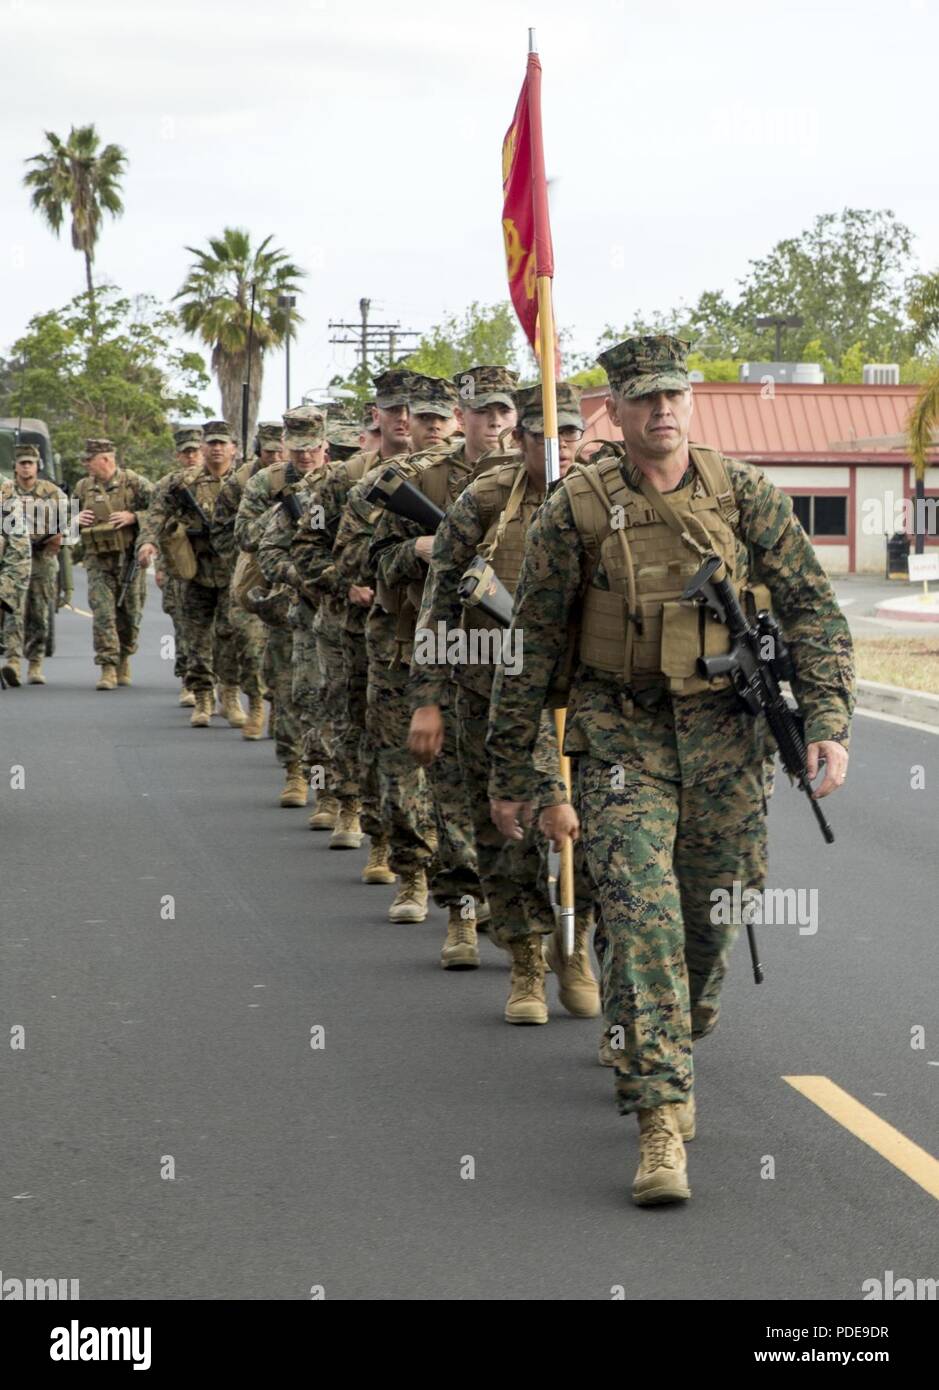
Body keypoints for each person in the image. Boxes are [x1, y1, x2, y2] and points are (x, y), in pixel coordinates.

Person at [483, 335, 855, 1205]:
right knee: (643, 916)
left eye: (674, 396)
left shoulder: (741, 493)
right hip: (621, 739)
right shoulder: (574, 510)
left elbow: (811, 610)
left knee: (708, 923)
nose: (661, 412)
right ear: (614, 410)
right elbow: (531, 650)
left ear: (690, 401)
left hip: (728, 740)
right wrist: (520, 775)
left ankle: (673, 1035)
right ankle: (658, 1117)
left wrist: (826, 721)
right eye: (644, 399)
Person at [406, 381, 600, 1022]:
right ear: (521, 440)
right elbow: (437, 603)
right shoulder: (485, 500)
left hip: (583, 698)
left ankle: (574, 945)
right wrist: (428, 700)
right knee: (506, 831)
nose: (563, 446)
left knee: (587, 828)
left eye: (571, 433)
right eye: (549, 434)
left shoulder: (607, 498)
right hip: (490, 691)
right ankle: (525, 959)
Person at [373, 364, 519, 963]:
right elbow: (374, 562)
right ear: (463, 418)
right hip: (448, 648)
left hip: (518, 654)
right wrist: (418, 549)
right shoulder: (422, 480)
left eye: (503, 412)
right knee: (452, 791)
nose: (493, 423)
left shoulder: (544, 479)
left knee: (514, 791)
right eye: (482, 411)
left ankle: (516, 915)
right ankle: (460, 911)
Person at [290, 369, 411, 860]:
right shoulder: (343, 480)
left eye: (413, 411)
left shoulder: (452, 476)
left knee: (400, 740)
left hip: (415, 631)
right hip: (348, 627)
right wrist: (347, 584)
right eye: (393, 410)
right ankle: (348, 805)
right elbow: (306, 549)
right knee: (348, 721)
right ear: (375, 417)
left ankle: (388, 840)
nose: (403, 419)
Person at [238, 406, 332, 807]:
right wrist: (282, 513)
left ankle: (333, 792)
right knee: (292, 692)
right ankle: (295, 773)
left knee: (333, 699)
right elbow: (245, 536)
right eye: (296, 449)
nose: (304, 457)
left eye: (311, 448)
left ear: (325, 446)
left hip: (332, 601)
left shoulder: (341, 480)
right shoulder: (268, 482)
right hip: (285, 602)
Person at [138, 419, 258, 728]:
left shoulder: (247, 482)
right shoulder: (180, 483)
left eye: (223, 443)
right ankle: (203, 696)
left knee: (230, 636)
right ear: (202, 447)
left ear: (234, 448)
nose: (217, 448)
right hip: (194, 571)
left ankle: (229, 695)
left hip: (233, 572)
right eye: (211, 443)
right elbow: (156, 514)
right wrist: (148, 543)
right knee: (195, 638)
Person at [211, 419, 285, 738]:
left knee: (286, 648)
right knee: (249, 643)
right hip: (250, 574)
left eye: (282, 449)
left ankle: (280, 710)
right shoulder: (242, 482)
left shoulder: (311, 477)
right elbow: (222, 529)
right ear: (258, 451)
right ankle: (255, 703)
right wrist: (238, 563)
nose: (277, 456)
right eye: (270, 451)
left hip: (288, 575)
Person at [73, 439, 153, 690]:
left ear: (105, 459)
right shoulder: (83, 486)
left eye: (90, 460)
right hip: (98, 561)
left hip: (129, 559)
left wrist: (133, 517)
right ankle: (107, 667)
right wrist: (76, 518)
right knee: (103, 613)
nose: (86, 464)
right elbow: (64, 519)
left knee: (130, 614)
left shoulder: (135, 483)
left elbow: (161, 512)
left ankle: (124, 658)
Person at [137, 424, 204, 706]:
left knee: (219, 629)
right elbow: (155, 519)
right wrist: (149, 546)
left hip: (215, 561)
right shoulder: (169, 485)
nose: (191, 457)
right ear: (178, 455)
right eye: (186, 452)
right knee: (184, 624)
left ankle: (219, 682)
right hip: (179, 562)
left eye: (195, 451)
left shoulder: (225, 481)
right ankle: (190, 681)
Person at [0, 443, 67, 685]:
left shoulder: (52, 492)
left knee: (39, 613)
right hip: (14, 559)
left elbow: (67, 526)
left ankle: (36, 662)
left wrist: (51, 535)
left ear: (37, 466)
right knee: (13, 610)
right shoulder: (6, 491)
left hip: (42, 559)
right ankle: (13, 661)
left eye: (30, 463)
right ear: (15, 466)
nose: (26, 467)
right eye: (22, 463)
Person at [0, 496, 32, 684]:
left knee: (12, 608)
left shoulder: (10, 517)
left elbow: (18, 556)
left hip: (13, 569)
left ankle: (13, 662)